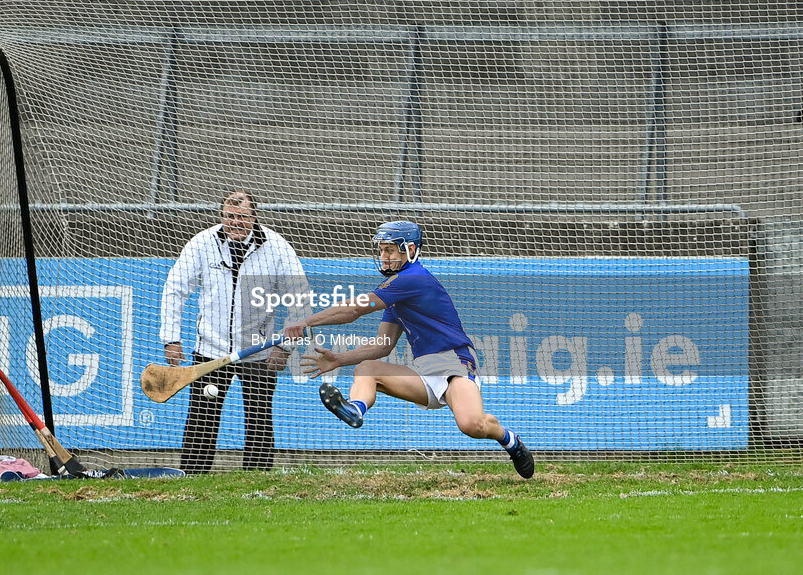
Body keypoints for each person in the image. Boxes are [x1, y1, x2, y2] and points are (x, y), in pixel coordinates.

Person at [285, 220, 534, 479]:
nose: (384, 256)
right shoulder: (397, 294)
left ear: (410, 249)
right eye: (381, 250)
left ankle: (511, 441)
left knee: (473, 425)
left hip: (453, 363)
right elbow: (384, 345)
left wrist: (307, 321)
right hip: (425, 371)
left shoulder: (412, 278)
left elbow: (354, 309)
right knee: (366, 369)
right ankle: (355, 409)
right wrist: (339, 359)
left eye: (390, 250)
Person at [161, 189, 308, 473]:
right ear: (222, 216)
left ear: (254, 216)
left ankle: (257, 480)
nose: (236, 222)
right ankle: (193, 477)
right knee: (201, 420)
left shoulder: (277, 247)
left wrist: (284, 347)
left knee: (259, 420)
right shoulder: (202, 243)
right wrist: (171, 338)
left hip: (258, 351)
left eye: (242, 217)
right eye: (230, 217)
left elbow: (299, 298)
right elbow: (175, 289)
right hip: (210, 351)